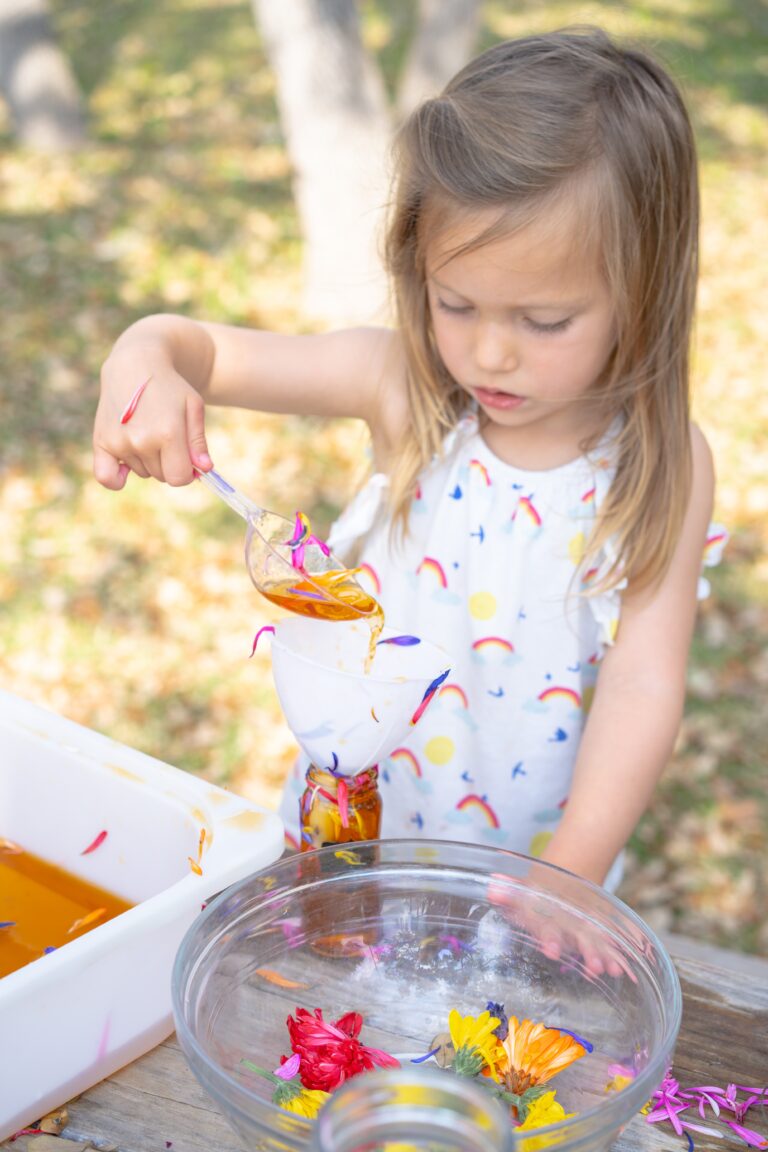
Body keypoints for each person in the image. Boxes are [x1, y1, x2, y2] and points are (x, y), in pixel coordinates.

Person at [93, 27, 725, 891]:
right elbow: (195, 347)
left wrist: (567, 875)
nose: (491, 355)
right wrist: (145, 360)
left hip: (528, 886)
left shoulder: (661, 465)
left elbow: (643, 686)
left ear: (644, 291)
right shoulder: (404, 389)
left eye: (544, 322)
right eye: (455, 304)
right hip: (348, 857)